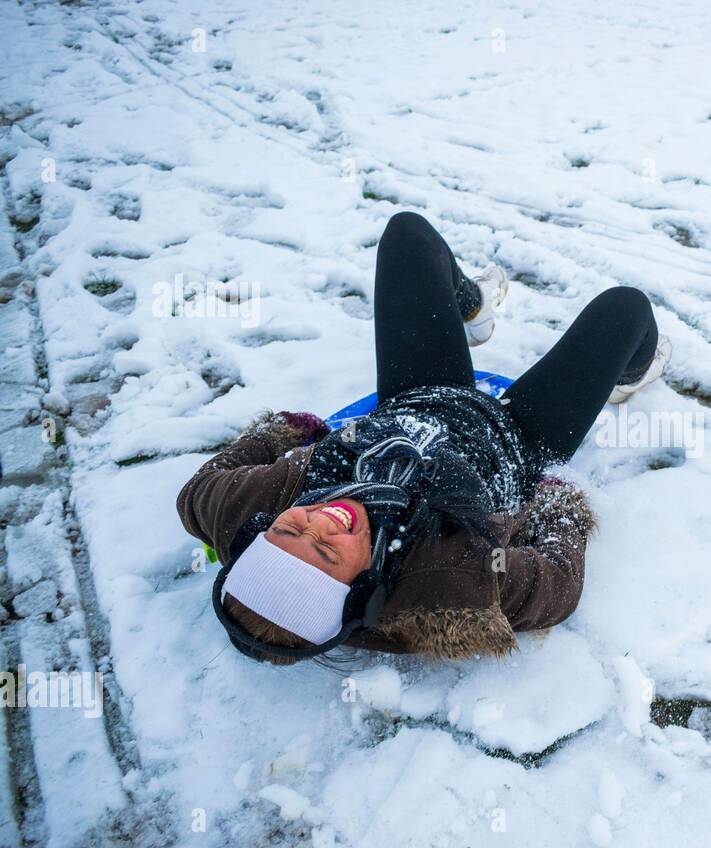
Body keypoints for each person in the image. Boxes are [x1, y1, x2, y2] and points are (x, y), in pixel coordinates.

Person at [177, 211, 671, 664]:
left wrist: (287, 430)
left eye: (288, 530)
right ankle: (631, 373)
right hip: (518, 439)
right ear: (363, 588)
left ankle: (470, 306)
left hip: (417, 397)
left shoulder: (241, 509)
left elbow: (200, 489)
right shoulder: (448, 580)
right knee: (625, 310)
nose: (321, 523)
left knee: (407, 235)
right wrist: (556, 509)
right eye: (327, 552)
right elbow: (557, 585)